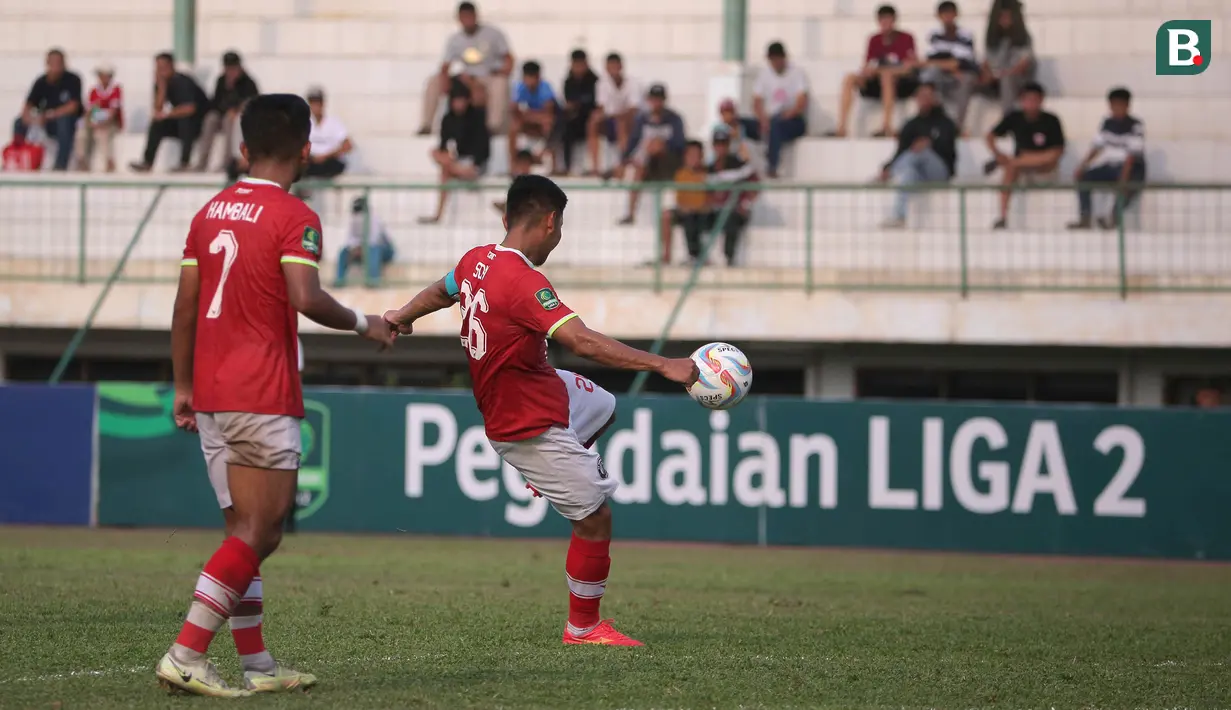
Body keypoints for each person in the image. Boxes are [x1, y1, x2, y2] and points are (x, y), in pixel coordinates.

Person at [382, 175, 699, 648]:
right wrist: (663, 364)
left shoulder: (476, 260)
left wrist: (401, 315)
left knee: (602, 403)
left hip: (539, 390)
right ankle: (584, 627)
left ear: (506, 218)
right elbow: (582, 341)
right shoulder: (525, 281)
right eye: (561, 226)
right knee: (595, 518)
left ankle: (548, 473)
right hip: (524, 423)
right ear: (550, 222)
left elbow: (443, 289)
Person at [158, 93, 394, 697]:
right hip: (261, 390)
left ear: (242, 148)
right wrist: (366, 323)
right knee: (261, 532)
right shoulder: (295, 215)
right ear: (307, 151)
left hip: (210, 389)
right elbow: (307, 297)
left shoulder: (209, 212)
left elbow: (185, 305)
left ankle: (258, 666)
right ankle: (187, 651)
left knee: (243, 529)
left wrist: (183, 384)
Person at [418, 1, 513, 135]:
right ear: (459, 19)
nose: (467, 20)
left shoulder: (493, 34)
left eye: (470, 16)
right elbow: (445, 66)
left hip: (488, 76)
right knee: (433, 82)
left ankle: (493, 126)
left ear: (476, 16)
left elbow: (508, 58)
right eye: (464, 17)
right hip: (466, 77)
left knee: (501, 84)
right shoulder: (455, 39)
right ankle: (426, 124)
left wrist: (503, 71)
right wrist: (445, 80)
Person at [984, 81, 1065, 229]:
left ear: (1041, 100)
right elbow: (990, 136)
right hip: (1021, 170)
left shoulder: (1051, 120)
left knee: (1023, 161)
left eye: (1035, 99)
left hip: (1045, 170)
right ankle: (1003, 215)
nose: (1031, 103)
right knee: (1011, 167)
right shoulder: (1014, 117)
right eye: (1028, 99)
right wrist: (998, 153)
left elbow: (1057, 153)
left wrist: (1026, 158)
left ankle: (1018, 161)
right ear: (1022, 101)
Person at [877, 82, 958, 228]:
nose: (924, 99)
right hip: (919, 173)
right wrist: (888, 165)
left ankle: (891, 172)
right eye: (921, 96)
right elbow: (901, 151)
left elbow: (949, 150)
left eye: (928, 96)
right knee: (908, 170)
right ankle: (899, 216)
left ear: (934, 98)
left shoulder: (945, 123)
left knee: (919, 153)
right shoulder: (911, 124)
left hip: (940, 171)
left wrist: (930, 144)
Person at [833, 5, 918, 138]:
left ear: (894, 20)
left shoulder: (906, 38)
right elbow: (867, 65)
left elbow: (910, 67)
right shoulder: (874, 40)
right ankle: (842, 127)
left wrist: (883, 70)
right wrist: (868, 72)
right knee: (849, 78)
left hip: (899, 83)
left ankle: (886, 126)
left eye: (888, 20)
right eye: (882, 20)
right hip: (876, 83)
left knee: (887, 75)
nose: (885, 24)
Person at [1068, 87, 1146, 231]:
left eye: (1120, 105)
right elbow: (1097, 147)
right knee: (1084, 178)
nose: (1117, 109)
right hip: (1111, 167)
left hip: (1132, 167)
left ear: (1127, 105)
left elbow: (1132, 155)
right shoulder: (1107, 123)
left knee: (1127, 184)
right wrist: (1082, 165)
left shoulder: (1135, 126)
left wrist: (1124, 176)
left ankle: (1113, 218)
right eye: (1114, 105)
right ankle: (1085, 218)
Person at [614, 84, 685, 225]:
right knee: (638, 168)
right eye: (654, 99)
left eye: (659, 99)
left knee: (656, 144)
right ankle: (630, 212)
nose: (656, 103)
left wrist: (662, 144)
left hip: (668, 162)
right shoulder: (643, 119)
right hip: (648, 162)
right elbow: (633, 141)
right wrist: (624, 159)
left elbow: (680, 143)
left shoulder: (674, 119)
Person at [420, 85, 492, 224]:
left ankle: (438, 214)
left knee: (446, 169)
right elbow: (443, 145)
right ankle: (438, 214)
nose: (459, 104)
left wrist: (473, 164)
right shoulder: (448, 119)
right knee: (439, 158)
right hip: (458, 162)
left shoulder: (477, 117)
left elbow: (483, 147)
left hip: (476, 164)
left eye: (461, 101)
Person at [130, 52, 209, 173]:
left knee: (185, 121)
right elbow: (157, 109)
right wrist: (161, 88)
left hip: (198, 122)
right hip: (180, 122)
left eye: (163, 66)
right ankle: (147, 162)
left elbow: (190, 108)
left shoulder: (183, 81)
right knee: (157, 124)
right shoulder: (162, 82)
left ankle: (184, 162)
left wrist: (168, 114)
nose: (160, 70)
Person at [747, 42, 809, 178]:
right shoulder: (764, 75)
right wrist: (763, 119)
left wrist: (785, 115)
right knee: (742, 124)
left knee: (775, 126)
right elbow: (756, 102)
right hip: (770, 120)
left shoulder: (797, 73)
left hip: (792, 121)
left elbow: (801, 102)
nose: (775, 63)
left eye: (777, 59)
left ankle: (772, 166)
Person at [15, 48, 82, 171]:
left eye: (58, 62)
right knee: (19, 122)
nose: (55, 66)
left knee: (64, 122)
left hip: (65, 121)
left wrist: (51, 115)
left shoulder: (72, 79)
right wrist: (27, 116)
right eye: (52, 62)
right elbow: (29, 104)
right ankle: (18, 159)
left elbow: (73, 106)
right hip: (45, 121)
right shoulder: (41, 81)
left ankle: (60, 166)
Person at [919, 1, 978, 133]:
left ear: (956, 15)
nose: (947, 18)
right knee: (928, 77)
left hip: (962, 75)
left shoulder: (966, 34)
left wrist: (952, 66)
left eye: (950, 14)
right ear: (939, 16)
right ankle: (928, 123)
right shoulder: (934, 34)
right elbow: (931, 61)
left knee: (966, 81)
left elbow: (963, 61)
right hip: (943, 74)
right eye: (944, 14)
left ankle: (957, 127)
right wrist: (950, 66)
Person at [196, 51, 260, 172]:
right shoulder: (221, 81)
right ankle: (202, 162)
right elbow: (215, 102)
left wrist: (235, 110)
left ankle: (227, 162)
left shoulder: (248, 83)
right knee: (210, 119)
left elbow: (251, 103)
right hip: (222, 114)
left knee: (229, 120)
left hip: (238, 118)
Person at [706, 127, 758, 266]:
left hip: (735, 211)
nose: (720, 147)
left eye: (724, 143)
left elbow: (754, 185)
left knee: (731, 219)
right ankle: (696, 257)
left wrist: (745, 203)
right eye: (718, 143)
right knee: (695, 218)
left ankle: (729, 258)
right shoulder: (708, 168)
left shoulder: (740, 166)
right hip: (715, 211)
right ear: (713, 146)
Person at [654, 140, 710, 266]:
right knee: (666, 215)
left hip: (702, 211)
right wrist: (684, 207)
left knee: (693, 217)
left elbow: (709, 199)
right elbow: (680, 198)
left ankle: (696, 255)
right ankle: (666, 255)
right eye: (690, 155)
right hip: (685, 210)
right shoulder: (680, 174)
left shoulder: (707, 174)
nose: (693, 159)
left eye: (696, 155)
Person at [978, 0, 1035, 117]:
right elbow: (986, 61)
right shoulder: (992, 38)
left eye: (1008, 17)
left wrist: (1004, 74)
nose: (1004, 20)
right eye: (1001, 17)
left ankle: (1007, 119)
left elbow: (1024, 64)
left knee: (1007, 80)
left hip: (1017, 80)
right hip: (996, 80)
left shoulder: (1024, 37)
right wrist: (987, 74)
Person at [587, 53, 641, 177]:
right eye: (610, 67)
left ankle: (622, 164)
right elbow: (601, 108)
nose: (613, 70)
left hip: (630, 122)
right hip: (611, 120)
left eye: (615, 66)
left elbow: (634, 110)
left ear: (621, 66)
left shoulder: (632, 83)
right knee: (592, 124)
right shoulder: (602, 84)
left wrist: (617, 116)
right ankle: (595, 167)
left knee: (621, 124)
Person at [555, 49, 599, 176]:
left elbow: (594, 104)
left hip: (589, 118)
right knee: (564, 128)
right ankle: (566, 167)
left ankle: (594, 168)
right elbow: (569, 104)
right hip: (575, 119)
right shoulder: (568, 82)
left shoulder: (595, 81)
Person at [508, 61, 557, 172]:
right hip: (528, 120)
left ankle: (551, 163)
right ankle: (513, 164)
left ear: (538, 77)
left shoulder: (545, 87)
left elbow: (548, 113)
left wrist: (529, 115)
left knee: (548, 123)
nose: (529, 81)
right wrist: (530, 116)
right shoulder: (519, 87)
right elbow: (514, 110)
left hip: (542, 121)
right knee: (513, 127)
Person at [336, 196, 395, 287]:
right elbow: (350, 239)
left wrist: (362, 248)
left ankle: (373, 281)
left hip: (384, 250)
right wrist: (354, 248)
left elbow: (374, 239)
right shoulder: (354, 218)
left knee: (373, 250)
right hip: (361, 249)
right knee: (344, 251)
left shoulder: (374, 218)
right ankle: (339, 280)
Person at [75, 63, 123, 173]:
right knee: (81, 131)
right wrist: (90, 119)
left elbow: (113, 113)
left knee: (101, 133)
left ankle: (108, 161)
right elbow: (88, 111)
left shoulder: (115, 90)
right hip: (94, 121)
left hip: (110, 123)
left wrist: (100, 122)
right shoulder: (94, 91)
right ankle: (82, 160)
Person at [305, 87, 352, 179]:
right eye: (313, 103)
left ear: (323, 104)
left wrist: (327, 156)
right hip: (311, 161)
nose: (315, 106)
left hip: (329, 161)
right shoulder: (306, 123)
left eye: (318, 102)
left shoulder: (334, 122)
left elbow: (348, 145)